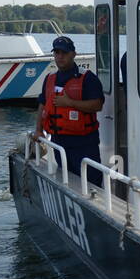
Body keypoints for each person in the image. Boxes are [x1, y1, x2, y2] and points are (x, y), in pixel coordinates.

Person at [36, 35, 105, 187]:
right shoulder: (49, 78)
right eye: (57, 53)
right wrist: (38, 131)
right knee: (67, 182)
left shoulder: (87, 78)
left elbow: (97, 105)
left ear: (73, 54)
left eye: (64, 53)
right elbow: (42, 104)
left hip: (84, 143)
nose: (60, 57)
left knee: (91, 183)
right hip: (59, 143)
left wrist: (70, 103)